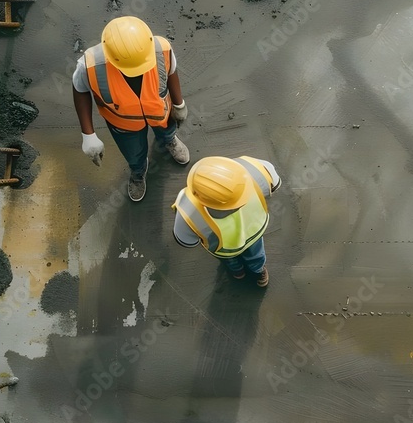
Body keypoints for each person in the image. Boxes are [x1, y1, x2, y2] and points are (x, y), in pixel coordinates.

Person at [72, 16, 190, 202]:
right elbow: (80, 90)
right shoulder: (90, 65)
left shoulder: (161, 49)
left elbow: (171, 71)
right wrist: (88, 135)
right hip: (123, 124)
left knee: (168, 130)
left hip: (161, 112)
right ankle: (138, 170)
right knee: (134, 152)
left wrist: (178, 104)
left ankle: (170, 141)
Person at [172, 156, 281, 287]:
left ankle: (238, 272)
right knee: (256, 254)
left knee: (230, 260)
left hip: (224, 247)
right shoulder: (254, 169)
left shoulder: (188, 208)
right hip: (254, 230)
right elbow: (274, 183)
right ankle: (258, 270)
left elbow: (187, 240)